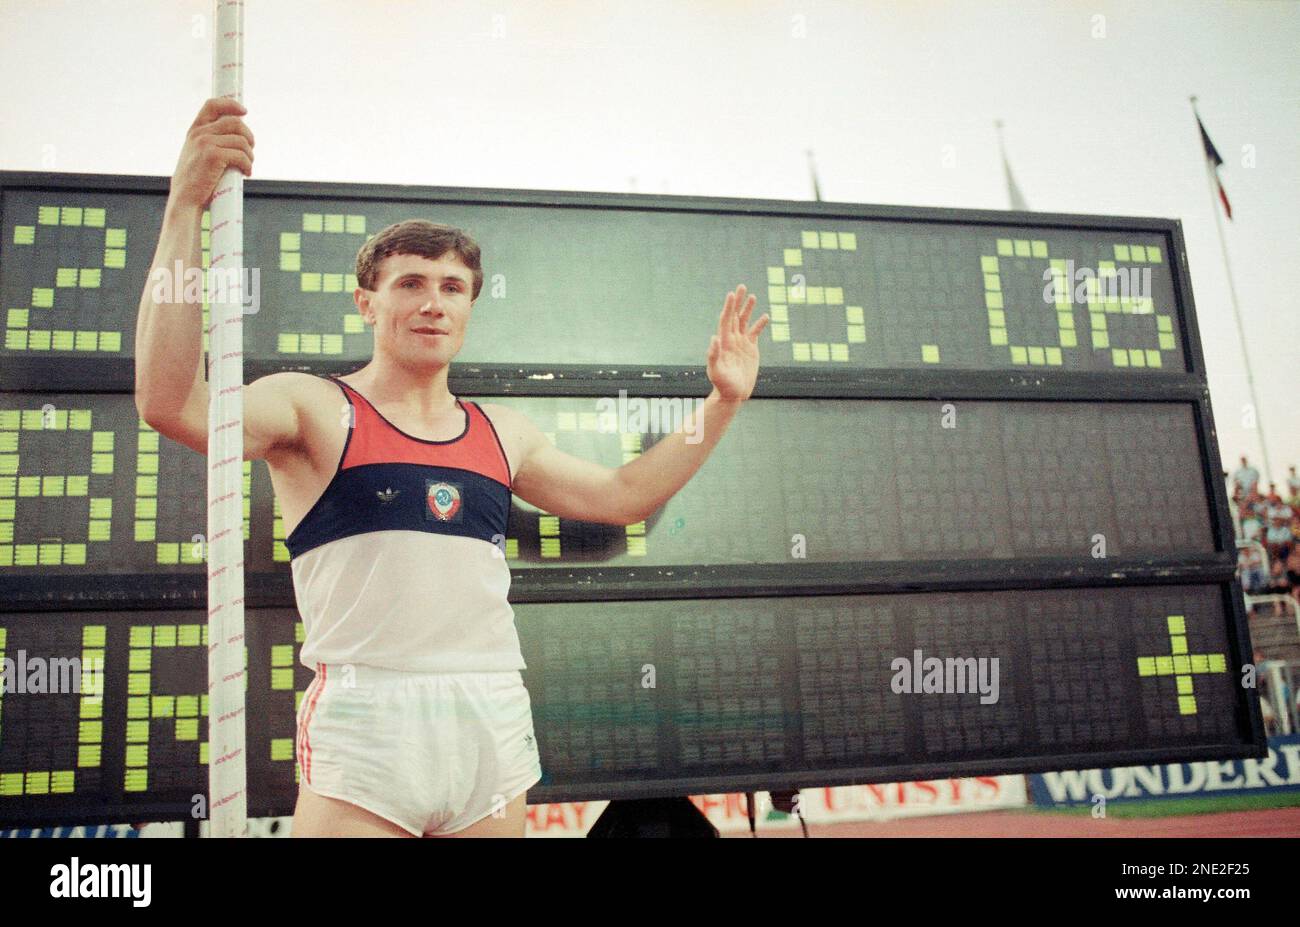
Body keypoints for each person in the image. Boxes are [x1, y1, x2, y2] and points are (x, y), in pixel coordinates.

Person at [134, 98, 770, 837]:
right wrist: (185, 204)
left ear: (469, 305)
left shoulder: (502, 431)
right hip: (369, 728)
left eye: (452, 287)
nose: (433, 302)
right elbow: (172, 400)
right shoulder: (312, 407)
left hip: (488, 721)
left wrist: (722, 401)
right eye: (410, 283)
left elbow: (625, 496)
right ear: (366, 302)